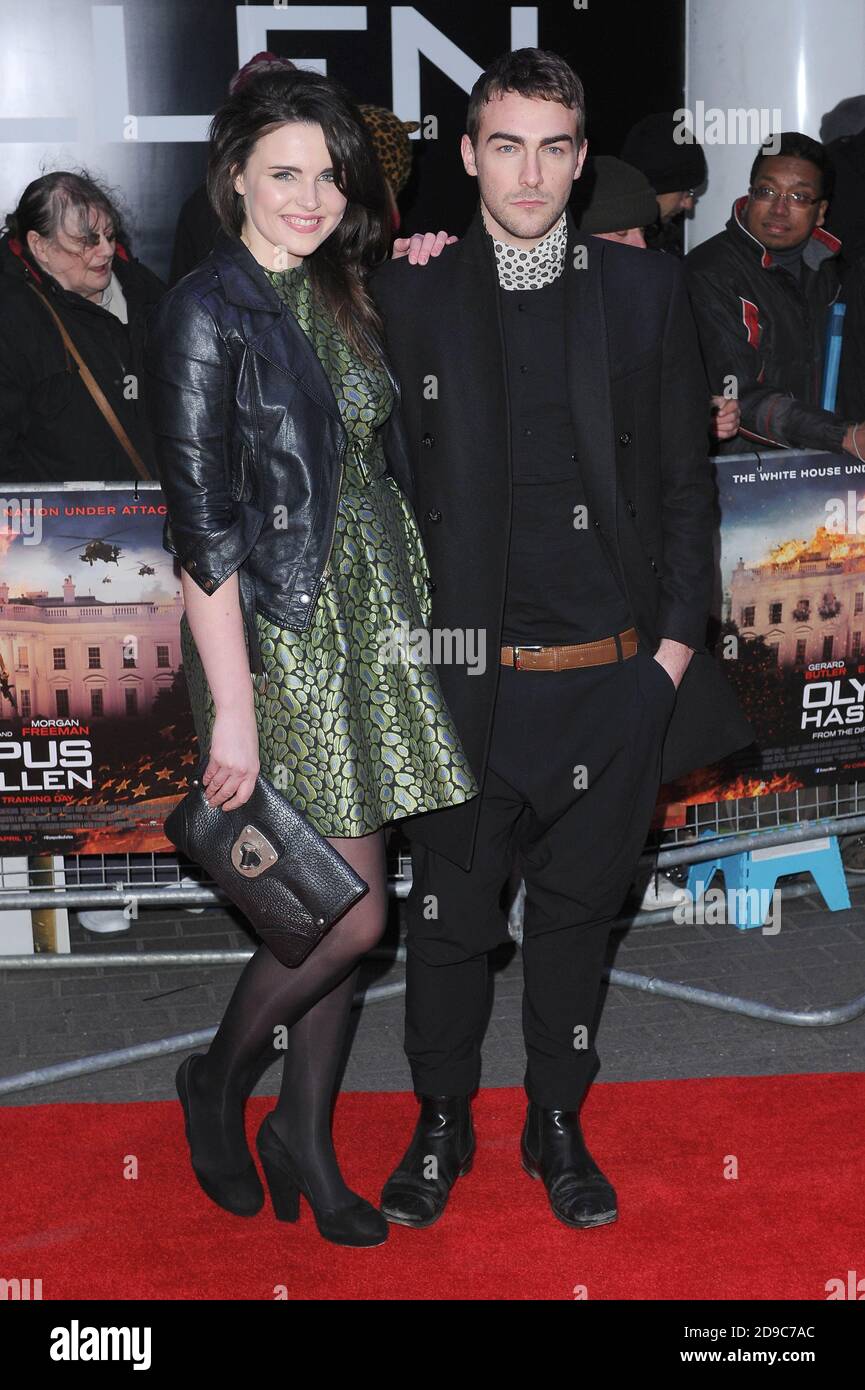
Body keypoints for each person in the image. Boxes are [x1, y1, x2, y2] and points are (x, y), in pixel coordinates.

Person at [369, 47, 755, 1232]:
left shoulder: (644, 293)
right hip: (464, 686)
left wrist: (670, 658)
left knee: (577, 928)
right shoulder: (410, 291)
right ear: (471, 154)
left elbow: (691, 491)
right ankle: (441, 1118)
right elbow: (378, 490)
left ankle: (554, 1119)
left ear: (582, 162)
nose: (528, 171)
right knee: (446, 926)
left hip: (611, 682)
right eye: (504, 144)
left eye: (552, 147)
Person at [143, 67, 479, 1247]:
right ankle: (215, 1081)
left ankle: (307, 1137)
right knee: (341, 917)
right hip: (282, 637)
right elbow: (201, 529)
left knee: (341, 905)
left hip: (372, 626)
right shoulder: (206, 307)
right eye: (284, 171)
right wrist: (231, 710)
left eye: (330, 175)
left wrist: (428, 248)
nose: (310, 195)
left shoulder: (344, 287)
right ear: (233, 173)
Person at [684, 132, 865, 458]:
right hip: (742, 481)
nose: (780, 209)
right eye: (767, 191)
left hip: (822, 473)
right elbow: (737, 393)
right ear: (750, 194)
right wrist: (841, 435)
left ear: (821, 211)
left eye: (799, 197)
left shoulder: (831, 273)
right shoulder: (708, 272)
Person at [0, 171, 165, 483]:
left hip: (152, 517)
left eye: (109, 234)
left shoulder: (142, 288)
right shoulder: (12, 319)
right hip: (62, 526)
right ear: (41, 246)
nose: (104, 250)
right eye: (86, 240)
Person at [620, 111, 707, 258]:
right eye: (685, 193)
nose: (689, 204)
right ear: (654, 188)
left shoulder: (667, 242)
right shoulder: (612, 246)